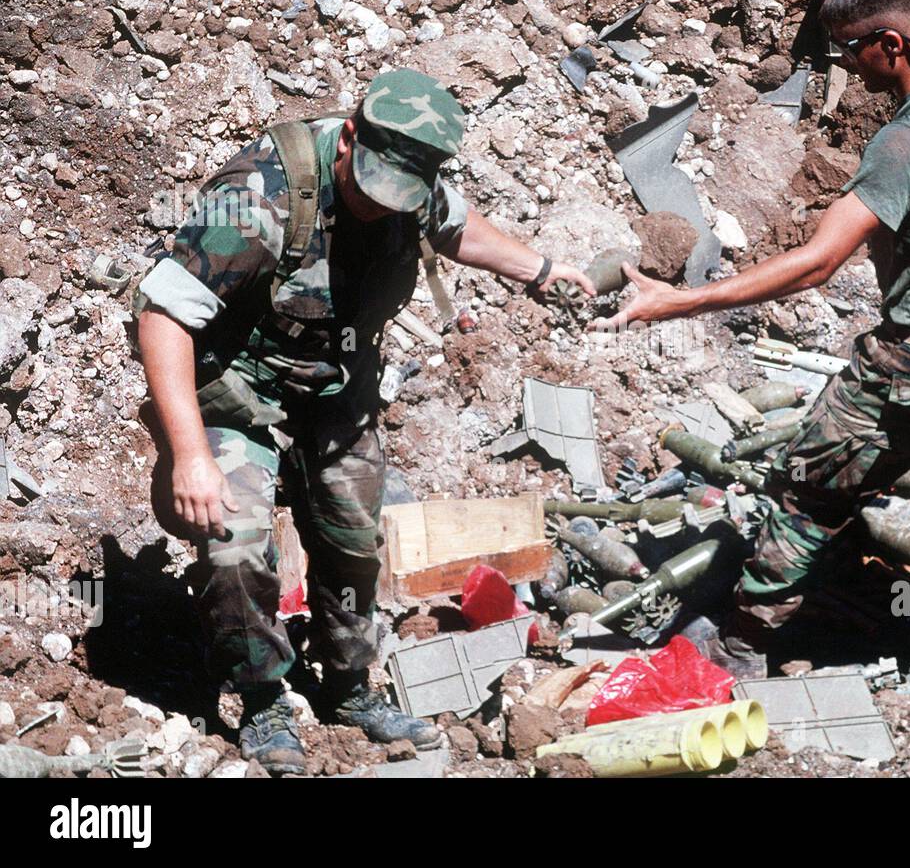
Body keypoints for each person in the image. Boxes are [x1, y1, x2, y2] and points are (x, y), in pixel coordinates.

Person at [593, 0, 910, 710]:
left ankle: (742, 648)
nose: (844, 65)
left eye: (849, 50)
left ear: (892, 45)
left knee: (806, 491)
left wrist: (671, 301)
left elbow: (814, 264)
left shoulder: (903, 144)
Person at [135, 68, 595, 774]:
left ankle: (347, 685)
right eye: (367, 189)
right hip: (240, 390)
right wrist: (191, 450)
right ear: (349, 136)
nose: (379, 209)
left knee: (353, 538)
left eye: (397, 199)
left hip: (334, 390)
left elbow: (458, 227)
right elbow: (163, 314)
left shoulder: (411, 184)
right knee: (235, 537)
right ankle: (262, 697)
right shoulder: (260, 193)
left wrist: (541, 268)